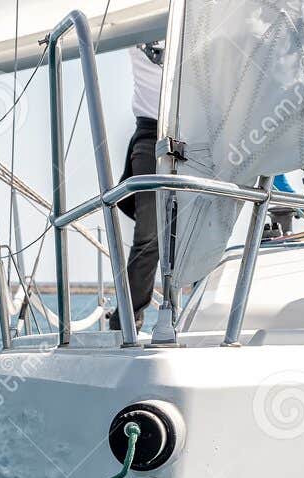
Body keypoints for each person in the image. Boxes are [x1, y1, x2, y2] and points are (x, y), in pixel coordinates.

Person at [110, 42, 163, 330]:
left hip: (198, 135)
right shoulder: (143, 31)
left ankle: (194, 316)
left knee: (200, 227)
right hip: (151, 133)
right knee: (150, 236)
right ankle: (127, 324)